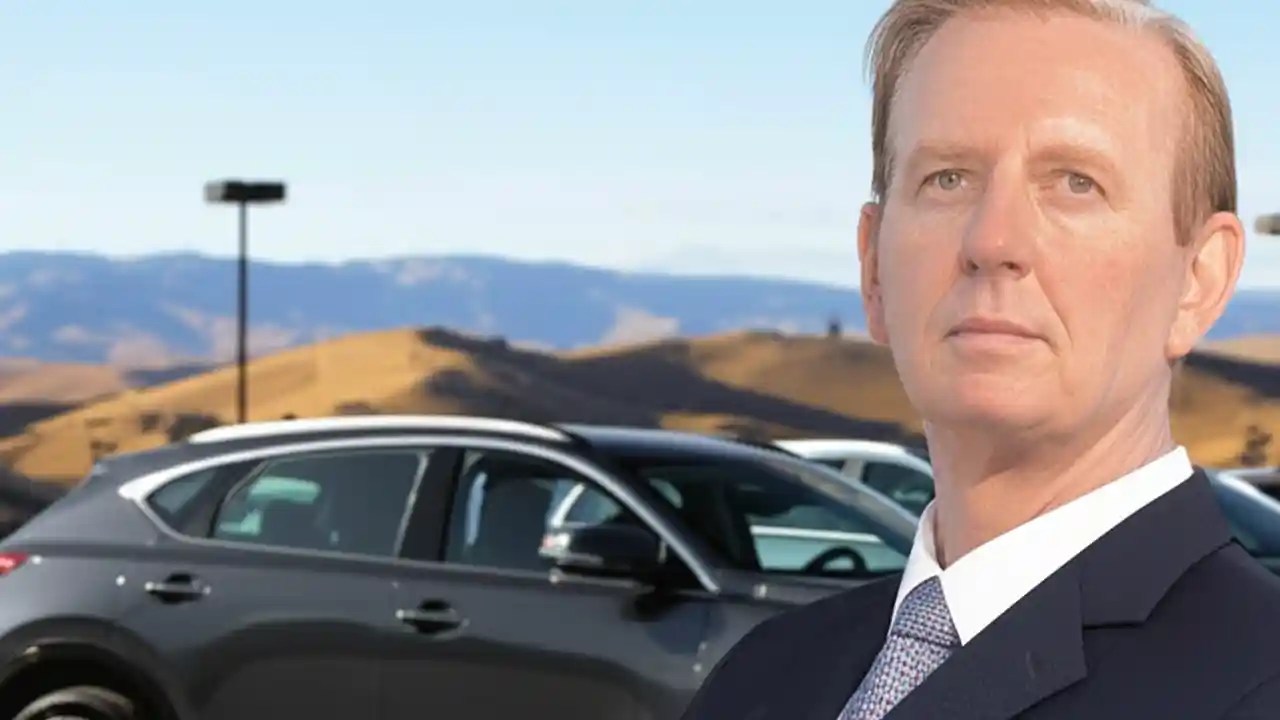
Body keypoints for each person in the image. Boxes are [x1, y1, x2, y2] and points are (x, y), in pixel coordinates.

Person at [681, 1, 1280, 718]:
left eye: (1075, 182)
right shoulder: (762, 676)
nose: (993, 240)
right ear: (873, 269)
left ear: (1199, 279)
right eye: (948, 178)